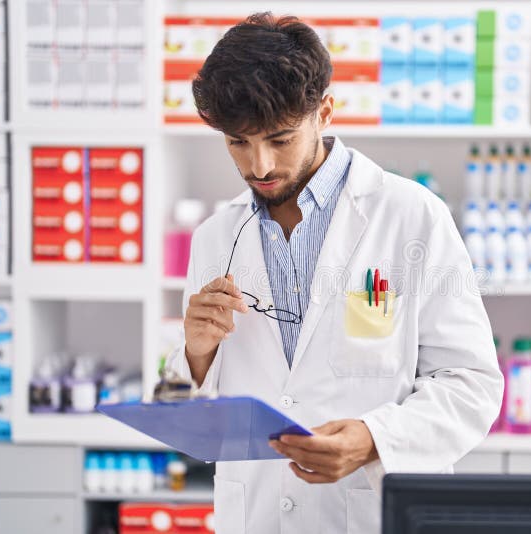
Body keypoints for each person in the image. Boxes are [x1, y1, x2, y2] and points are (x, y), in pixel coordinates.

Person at [166, 12, 503, 534]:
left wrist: (374, 439)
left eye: (279, 139)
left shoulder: (411, 216)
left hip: (368, 515)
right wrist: (194, 353)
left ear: (324, 111)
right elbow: (188, 417)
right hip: (255, 517)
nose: (258, 166)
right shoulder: (215, 237)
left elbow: (471, 384)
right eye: (238, 142)